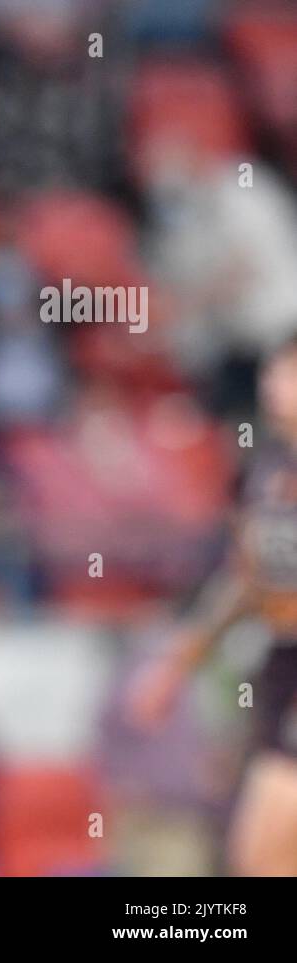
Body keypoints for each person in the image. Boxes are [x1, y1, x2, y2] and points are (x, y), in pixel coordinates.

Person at [128, 337, 297, 875]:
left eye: (289, 370)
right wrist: (178, 661)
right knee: (259, 855)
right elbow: (245, 578)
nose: (275, 381)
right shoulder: (265, 470)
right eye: (275, 369)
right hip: (282, 660)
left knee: (268, 840)